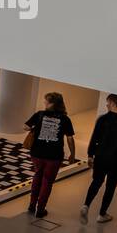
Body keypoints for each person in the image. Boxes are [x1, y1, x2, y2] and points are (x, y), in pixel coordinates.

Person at [81, 94, 117, 224]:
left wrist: (90, 155)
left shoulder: (102, 119)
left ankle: (86, 205)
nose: (106, 104)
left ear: (113, 103)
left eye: (108, 102)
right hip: (116, 158)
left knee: (96, 181)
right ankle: (102, 214)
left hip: (101, 156)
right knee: (110, 187)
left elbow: (94, 138)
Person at [24, 91, 76, 219]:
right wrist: (72, 154)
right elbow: (70, 138)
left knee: (37, 176)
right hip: (54, 156)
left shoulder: (40, 114)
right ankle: (40, 209)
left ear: (52, 103)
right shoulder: (65, 119)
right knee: (47, 181)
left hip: (37, 153)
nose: (44, 102)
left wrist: (34, 128)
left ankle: (32, 205)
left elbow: (25, 126)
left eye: (46, 101)